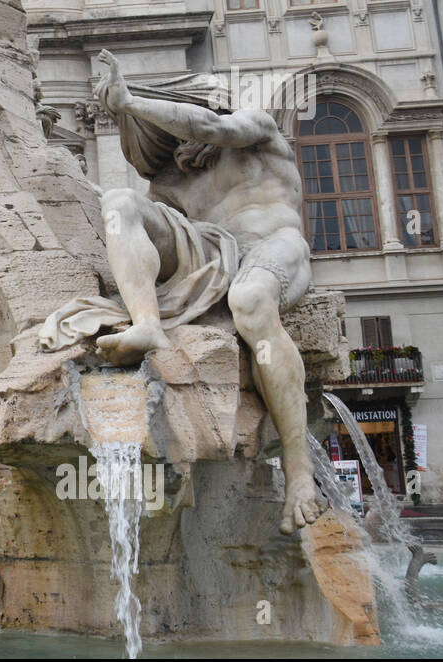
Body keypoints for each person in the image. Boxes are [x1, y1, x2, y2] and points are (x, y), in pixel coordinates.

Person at [41, 50, 322, 534]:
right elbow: (145, 232)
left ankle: (299, 474)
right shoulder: (170, 181)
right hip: (212, 250)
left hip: (274, 247)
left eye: (171, 118)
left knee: (250, 301)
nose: (173, 140)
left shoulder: (253, 129)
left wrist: (130, 103)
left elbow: (214, 129)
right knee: (120, 200)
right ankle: (147, 323)